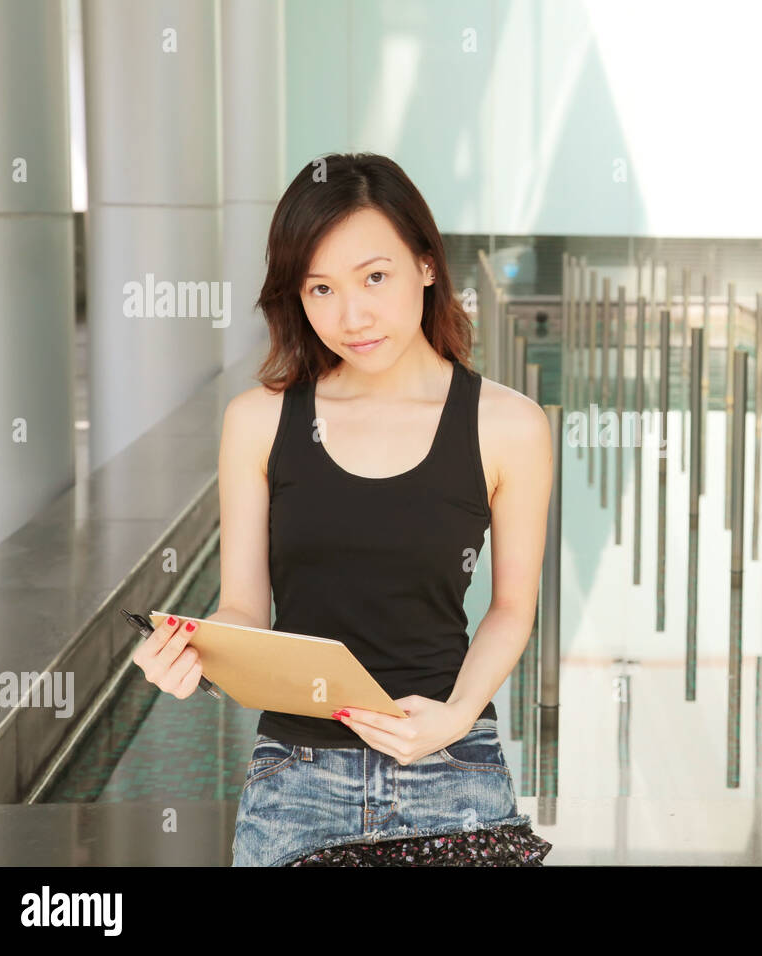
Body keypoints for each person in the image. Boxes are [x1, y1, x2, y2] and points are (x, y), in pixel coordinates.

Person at [132, 152, 553, 866]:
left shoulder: (507, 425)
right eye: (320, 288)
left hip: (451, 766)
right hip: (297, 781)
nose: (350, 316)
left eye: (374, 278)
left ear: (426, 265)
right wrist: (194, 655)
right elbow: (242, 608)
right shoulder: (259, 421)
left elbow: (511, 606)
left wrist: (451, 718)